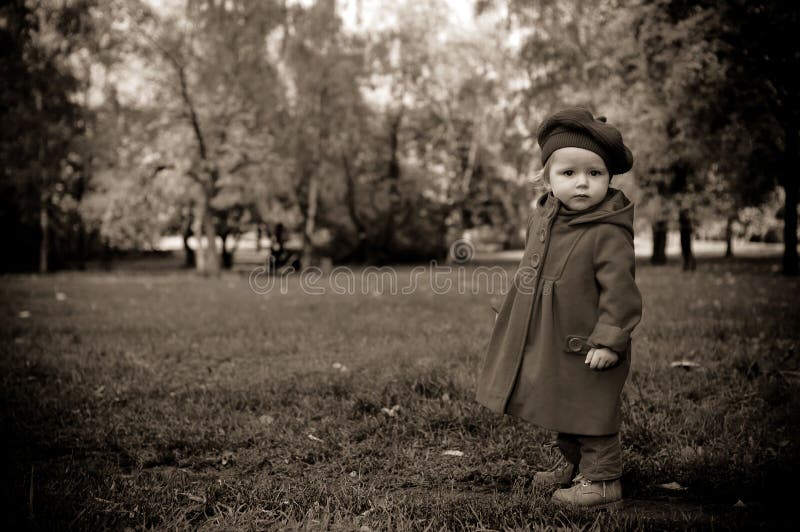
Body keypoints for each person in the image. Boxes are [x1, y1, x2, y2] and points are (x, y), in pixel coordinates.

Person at [476, 107, 643, 509]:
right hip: (553, 337)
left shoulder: (608, 230)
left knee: (591, 409)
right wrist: (511, 309)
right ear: (547, 179)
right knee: (560, 401)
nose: (582, 183)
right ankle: (573, 465)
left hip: (588, 342)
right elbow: (529, 269)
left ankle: (603, 482)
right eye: (569, 173)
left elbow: (620, 292)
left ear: (609, 177)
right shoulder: (546, 218)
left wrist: (609, 341)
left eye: (594, 173)